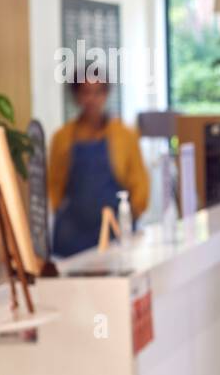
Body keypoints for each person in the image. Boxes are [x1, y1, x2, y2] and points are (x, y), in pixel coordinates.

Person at [48, 78, 148, 258]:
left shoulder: (125, 136)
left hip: (113, 229)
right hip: (72, 233)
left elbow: (139, 181)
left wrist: (131, 215)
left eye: (97, 92)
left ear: (106, 94)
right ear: (76, 96)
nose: (91, 99)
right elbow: (54, 183)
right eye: (85, 92)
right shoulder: (62, 138)